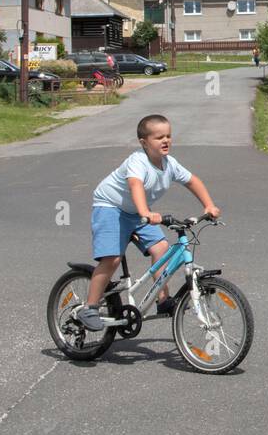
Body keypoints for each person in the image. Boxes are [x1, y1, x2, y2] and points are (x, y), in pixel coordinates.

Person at [77, 114, 220, 331]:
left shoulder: (169, 163)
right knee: (112, 258)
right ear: (144, 142)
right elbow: (135, 185)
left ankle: (163, 300)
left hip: (138, 212)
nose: (166, 141)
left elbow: (192, 181)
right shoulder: (138, 161)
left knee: (161, 247)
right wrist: (145, 212)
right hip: (110, 207)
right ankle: (90, 307)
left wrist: (209, 205)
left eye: (169, 136)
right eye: (159, 137)